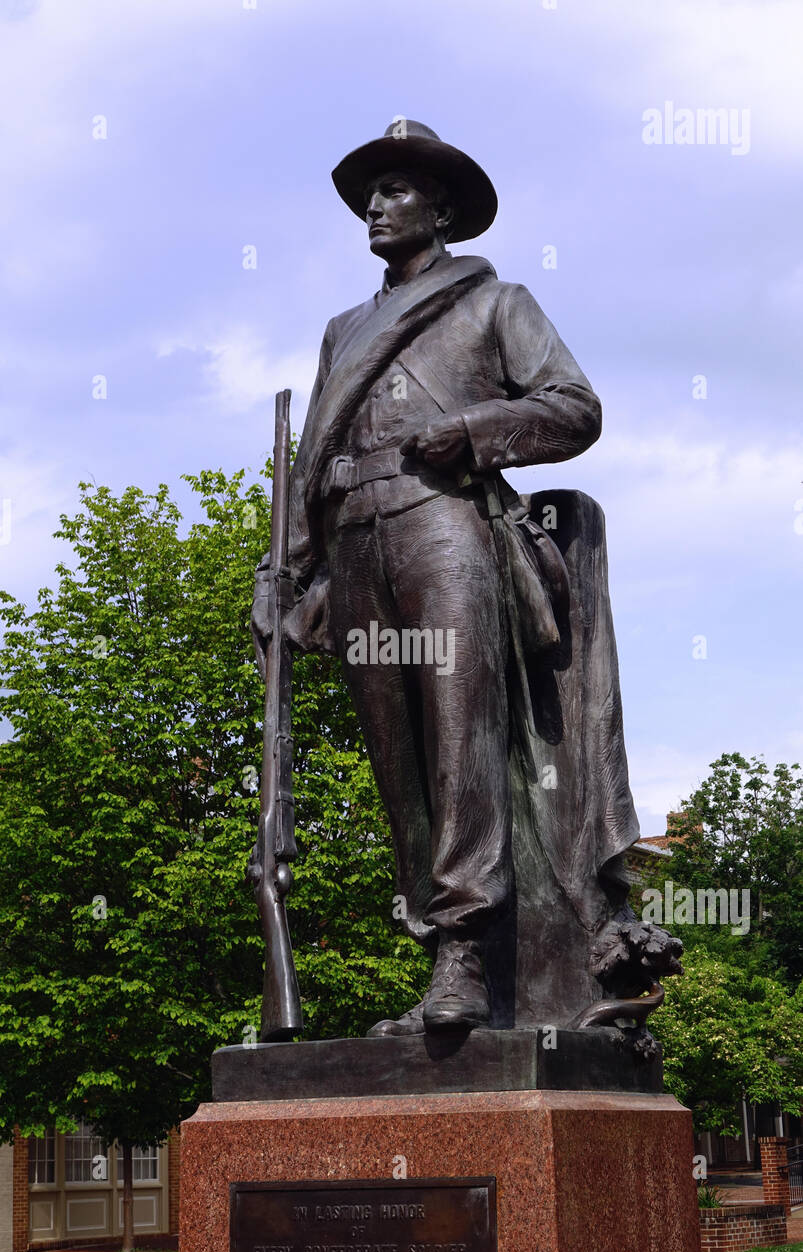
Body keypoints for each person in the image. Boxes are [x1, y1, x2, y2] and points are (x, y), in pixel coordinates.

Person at [252, 120, 679, 1038]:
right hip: (356, 542)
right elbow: (312, 456)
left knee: (459, 742)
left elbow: (572, 407)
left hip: (445, 524)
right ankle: (440, 954)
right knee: (398, 767)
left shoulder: (495, 303)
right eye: (369, 193)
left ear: (440, 208)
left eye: (395, 189)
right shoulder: (342, 332)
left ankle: (464, 955)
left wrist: (474, 433)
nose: (374, 205)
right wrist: (283, 574)